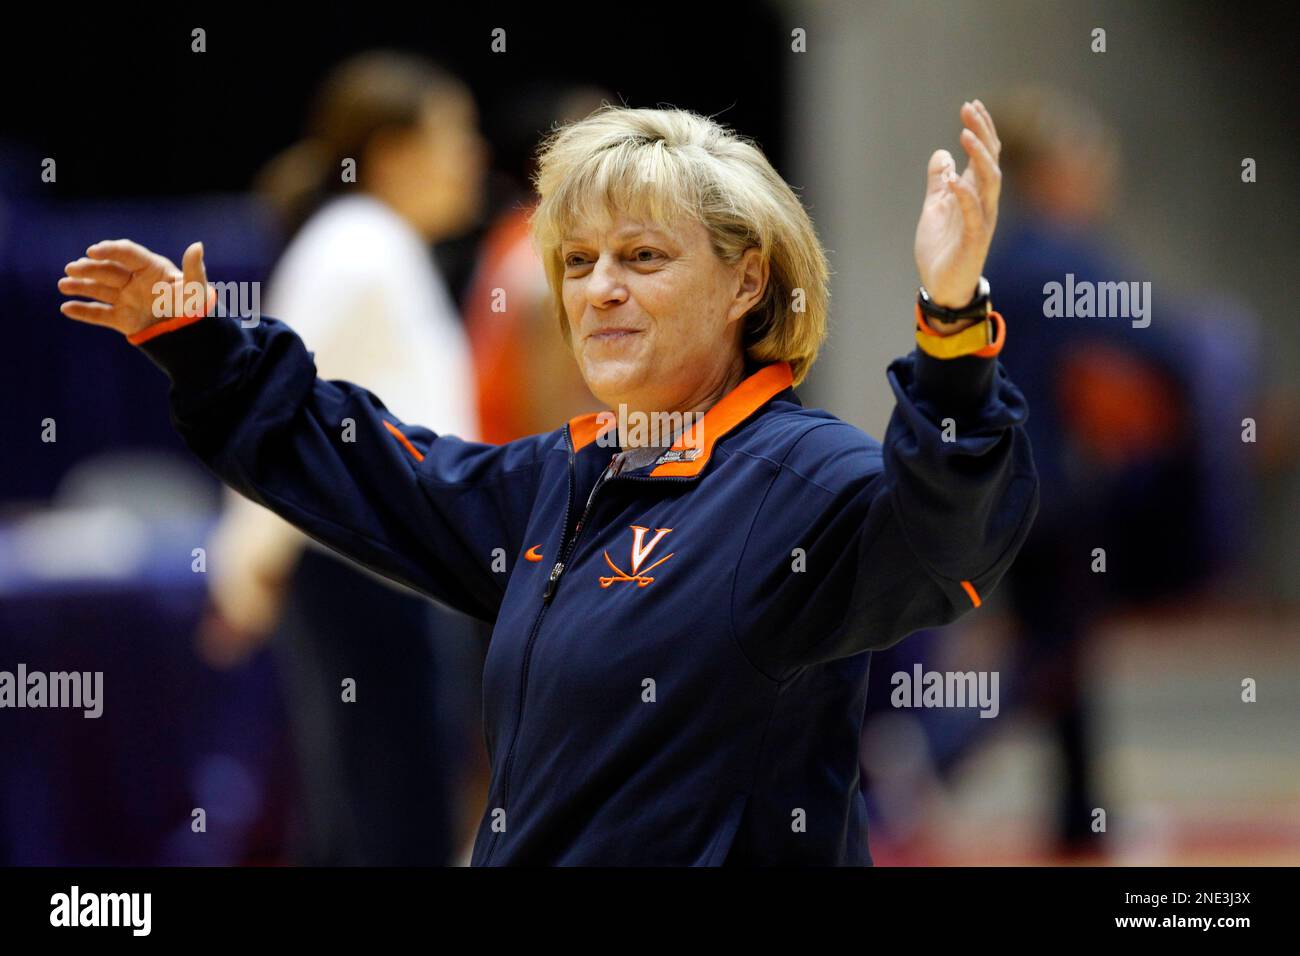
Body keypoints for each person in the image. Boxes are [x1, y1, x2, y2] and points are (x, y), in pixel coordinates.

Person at [59, 101, 1038, 865]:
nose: (598, 286)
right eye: (577, 260)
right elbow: (371, 462)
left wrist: (951, 327)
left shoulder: (802, 479)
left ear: (747, 283)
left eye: (643, 256)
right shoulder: (562, 476)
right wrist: (200, 344)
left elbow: (946, 539)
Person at [198, 51, 490, 865]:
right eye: (454, 134)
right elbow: (270, 401)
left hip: (394, 572)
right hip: (364, 574)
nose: (472, 156)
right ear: (393, 152)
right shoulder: (356, 246)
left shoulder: (380, 247)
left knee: (386, 812)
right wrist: (247, 559)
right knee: (389, 820)